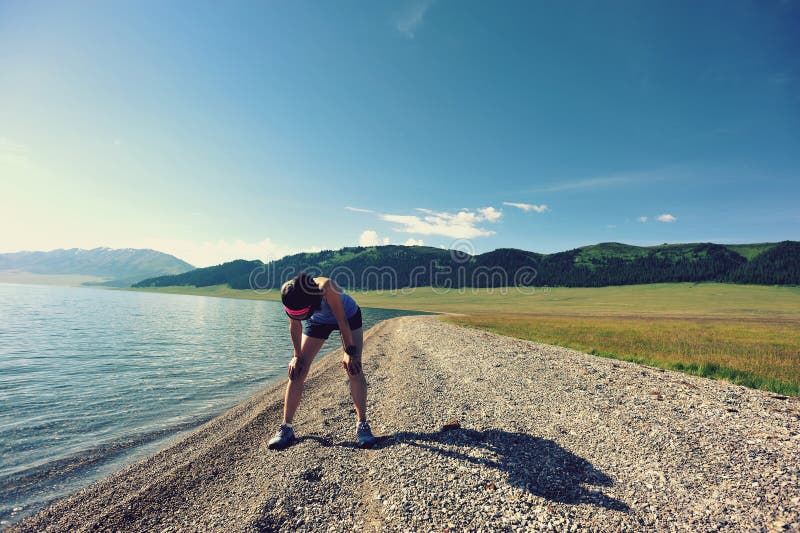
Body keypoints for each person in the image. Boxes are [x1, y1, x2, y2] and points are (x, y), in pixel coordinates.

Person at [267, 272, 377, 449]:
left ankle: (362, 425)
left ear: (312, 302)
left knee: (354, 367)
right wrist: (296, 356)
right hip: (317, 322)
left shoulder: (327, 288)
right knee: (297, 371)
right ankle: (286, 428)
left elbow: (342, 322)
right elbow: (295, 325)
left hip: (348, 317)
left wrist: (349, 351)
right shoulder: (289, 292)